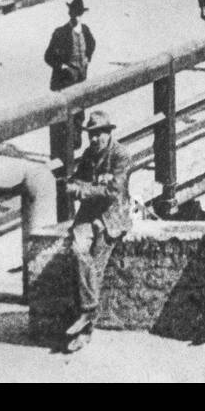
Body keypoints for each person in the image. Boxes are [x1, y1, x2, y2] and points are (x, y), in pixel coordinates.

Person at [62, 111, 133, 353]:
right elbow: (74, 181)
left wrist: (83, 190)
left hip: (112, 216)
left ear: (109, 132)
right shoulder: (88, 155)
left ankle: (85, 329)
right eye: (91, 135)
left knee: (96, 265)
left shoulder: (121, 155)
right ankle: (89, 310)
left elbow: (113, 192)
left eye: (98, 134)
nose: (94, 140)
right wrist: (78, 186)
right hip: (89, 213)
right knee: (77, 250)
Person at [44, 0, 96, 91]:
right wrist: (60, 66)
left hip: (82, 74)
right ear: (70, 13)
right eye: (75, 13)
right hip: (67, 77)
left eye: (79, 14)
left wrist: (87, 59)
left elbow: (92, 44)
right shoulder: (61, 33)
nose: (77, 17)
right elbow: (48, 56)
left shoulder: (85, 30)